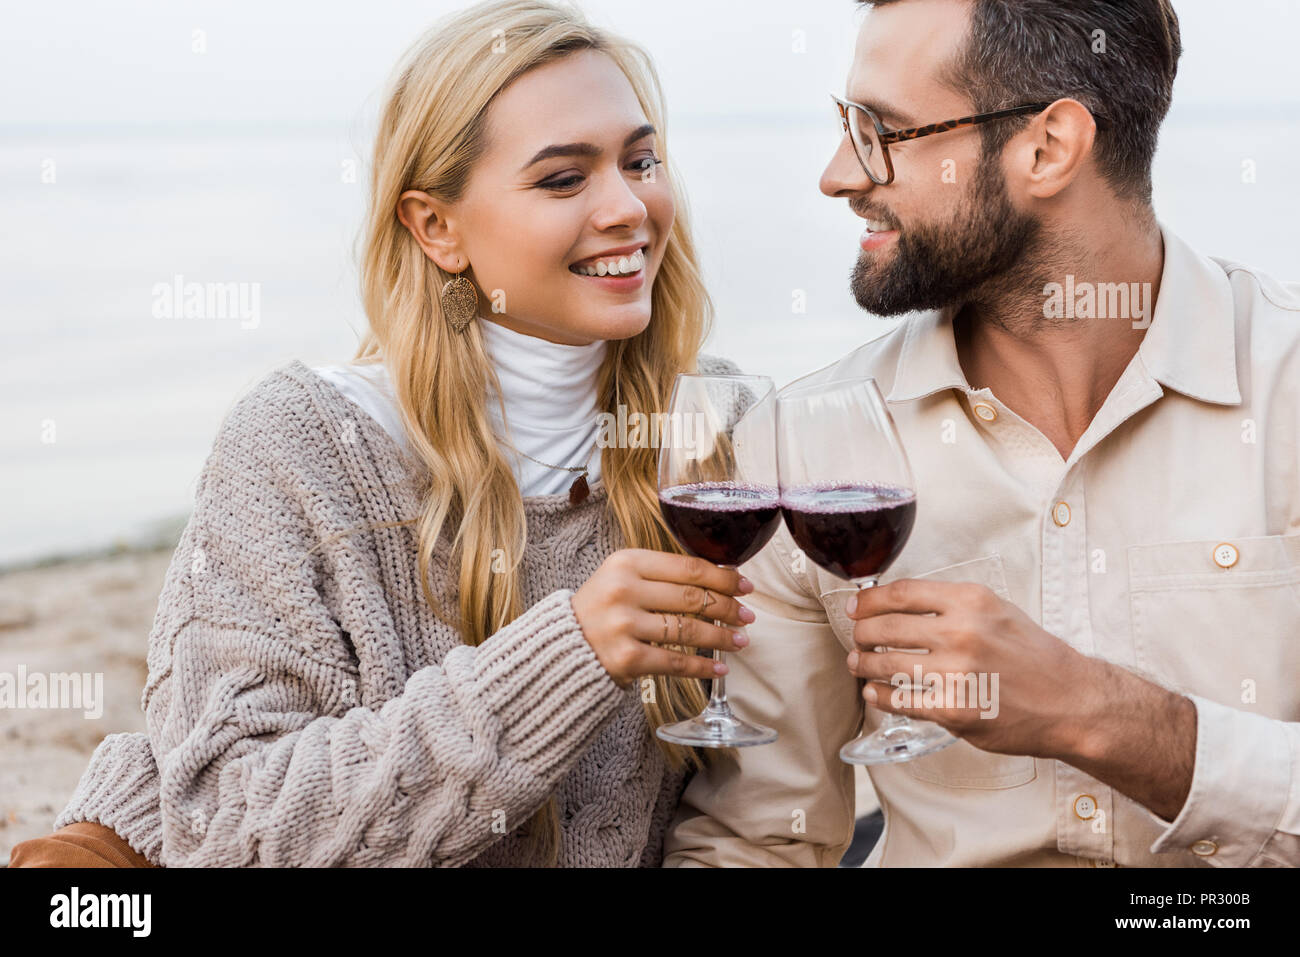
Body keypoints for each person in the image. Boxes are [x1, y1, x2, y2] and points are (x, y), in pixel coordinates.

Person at [9, 0, 756, 868]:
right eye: (564, 178)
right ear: (435, 227)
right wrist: (569, 652)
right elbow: (226, 827)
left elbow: (770, 790)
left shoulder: (718, 431)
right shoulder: (301, 445)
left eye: (642, 160)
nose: (630, 207)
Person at [664, 0, 1300, 867]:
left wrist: (1094, 710)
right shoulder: (798, 446)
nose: (838, 173)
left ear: (1048, 148)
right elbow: (756, 842)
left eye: (881, 129)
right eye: (847, 124)